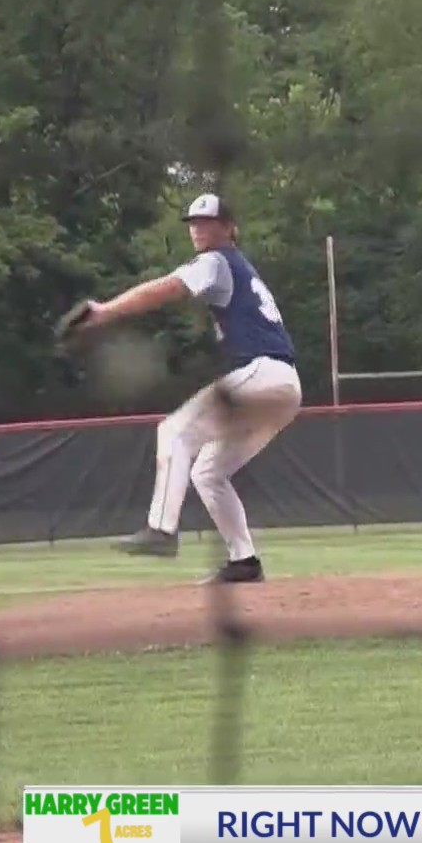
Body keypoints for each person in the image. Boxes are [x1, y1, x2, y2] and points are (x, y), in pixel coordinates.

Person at [72, 193, 303, 584]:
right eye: (193, 222)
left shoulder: (217, 260)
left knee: (174, 431)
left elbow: (165, 288)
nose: (198, 228)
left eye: (207, 221)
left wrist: (105, 312)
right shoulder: (242, 269)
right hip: (284, 389)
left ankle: (161, 529)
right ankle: (244, 561)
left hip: (263, 373)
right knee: (208, 473)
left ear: (229, 228)